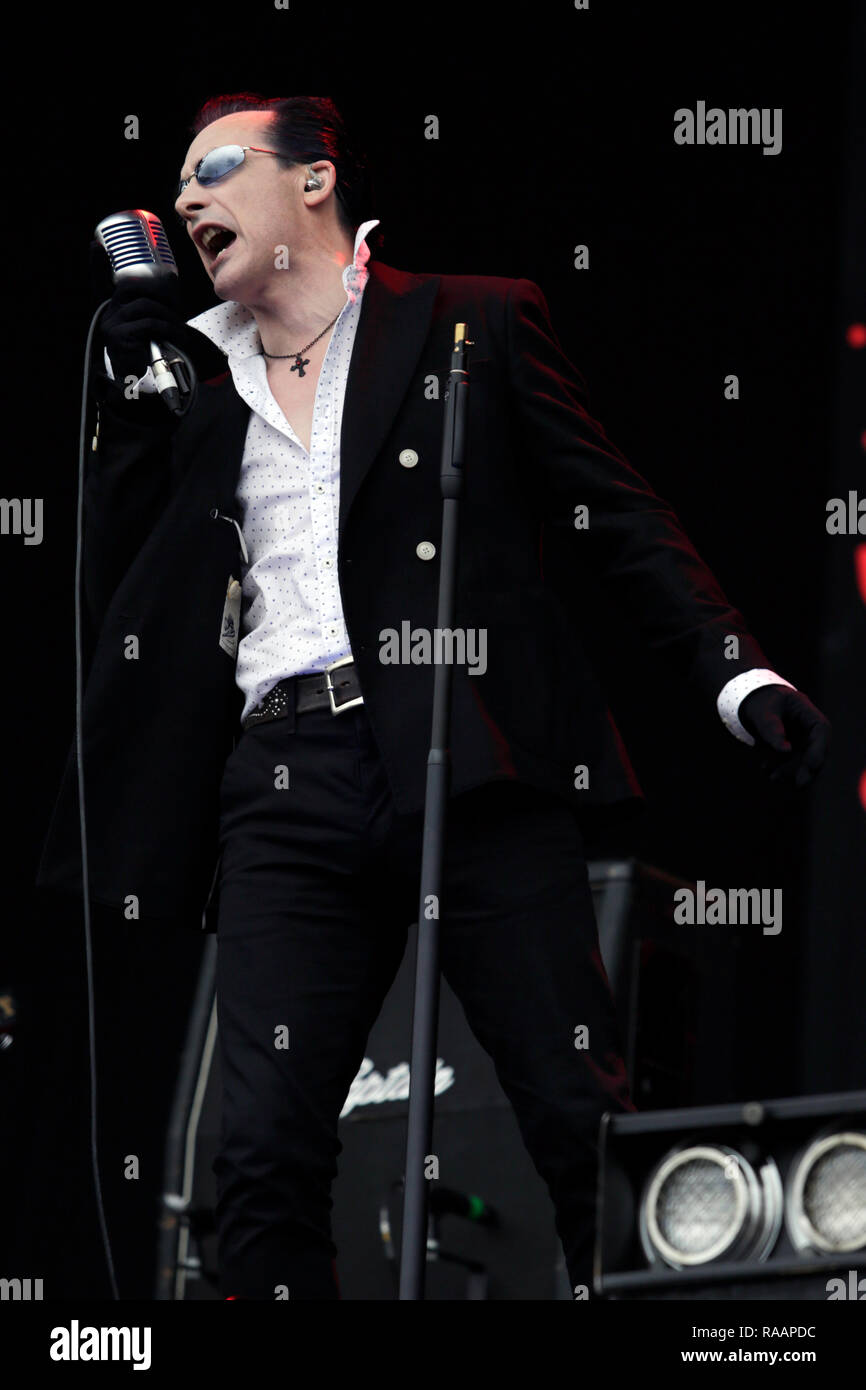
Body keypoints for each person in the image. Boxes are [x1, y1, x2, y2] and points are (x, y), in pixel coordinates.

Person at [36, 93, 831, 1300]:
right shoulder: (193, 377)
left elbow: (614, 516)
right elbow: (120, 576)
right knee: (257, 1152)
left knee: (576, 1116)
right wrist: (142, 355)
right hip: (283, 781)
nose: (187, 197)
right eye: (179, 183)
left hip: (467, 759)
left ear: (313, 181)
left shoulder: (471, 321)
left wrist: (736, 671)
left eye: (214, 168)